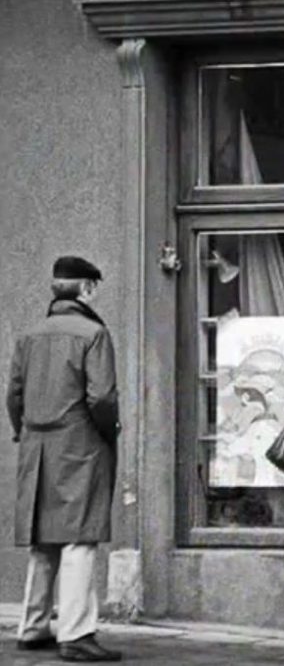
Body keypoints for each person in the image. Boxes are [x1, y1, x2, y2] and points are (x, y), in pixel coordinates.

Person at [7, 256, 122, 662]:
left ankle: (33, 627)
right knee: (79, 539)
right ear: (87, 288)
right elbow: (103, 397)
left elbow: (14, 396)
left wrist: (25, 432)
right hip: (81, 444)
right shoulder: (93, 333)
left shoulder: (30, 334)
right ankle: (75, 632)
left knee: (43, 540)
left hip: (36, 446)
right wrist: (109, 433)